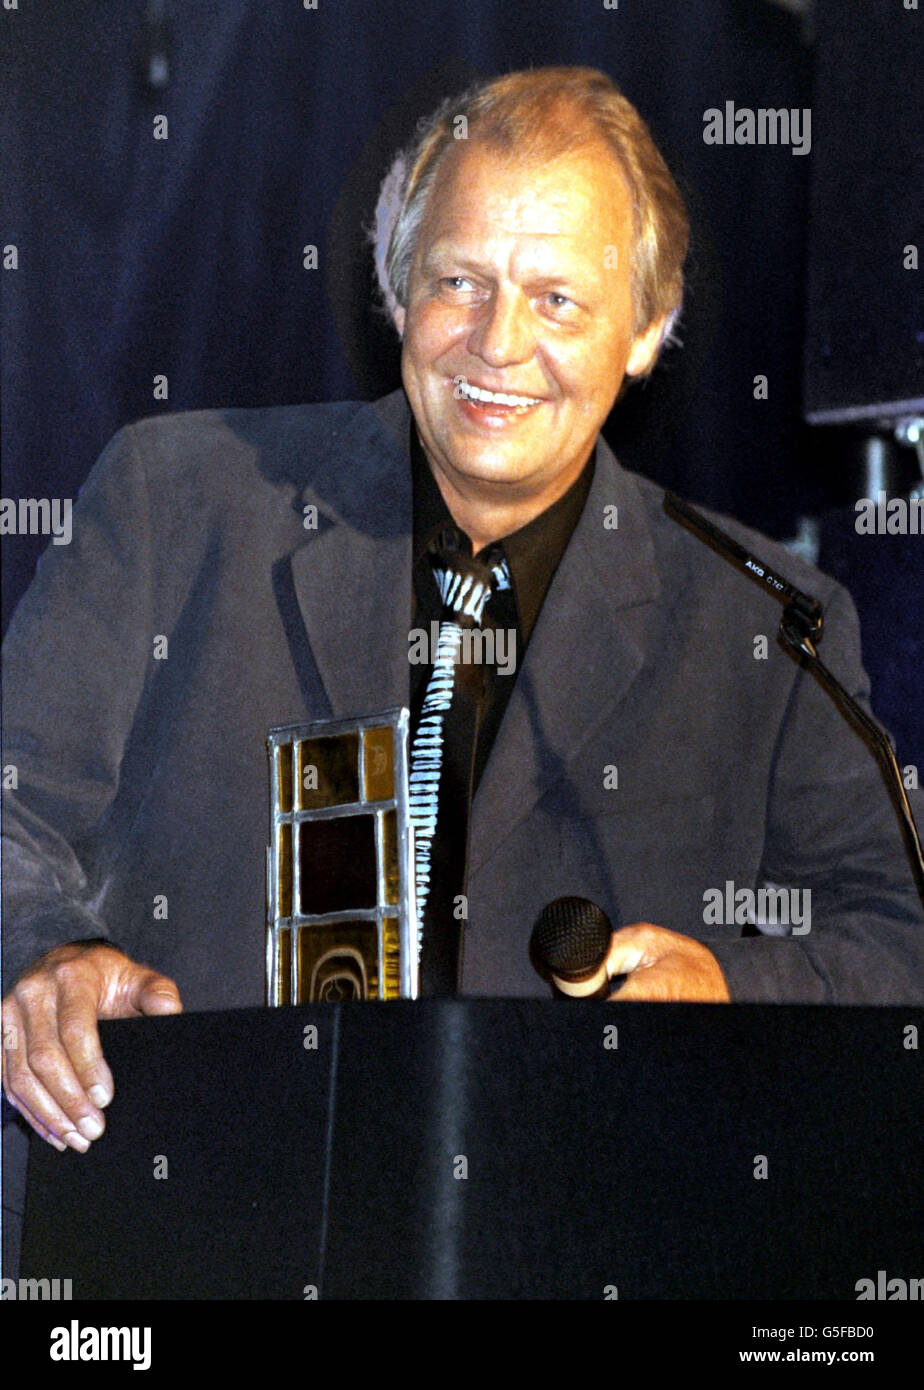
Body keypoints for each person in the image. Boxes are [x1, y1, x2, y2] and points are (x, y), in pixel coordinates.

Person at [3, 67, 923, 1160]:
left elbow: (893, 945)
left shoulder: (772, 626)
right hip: (178, 1212)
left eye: (558, 299)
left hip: (556, 1234)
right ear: (397, 291)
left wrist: (732, 984)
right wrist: (45, 952)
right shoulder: (178, 501)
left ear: (646, 328)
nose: (497, 344)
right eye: (458, 282)